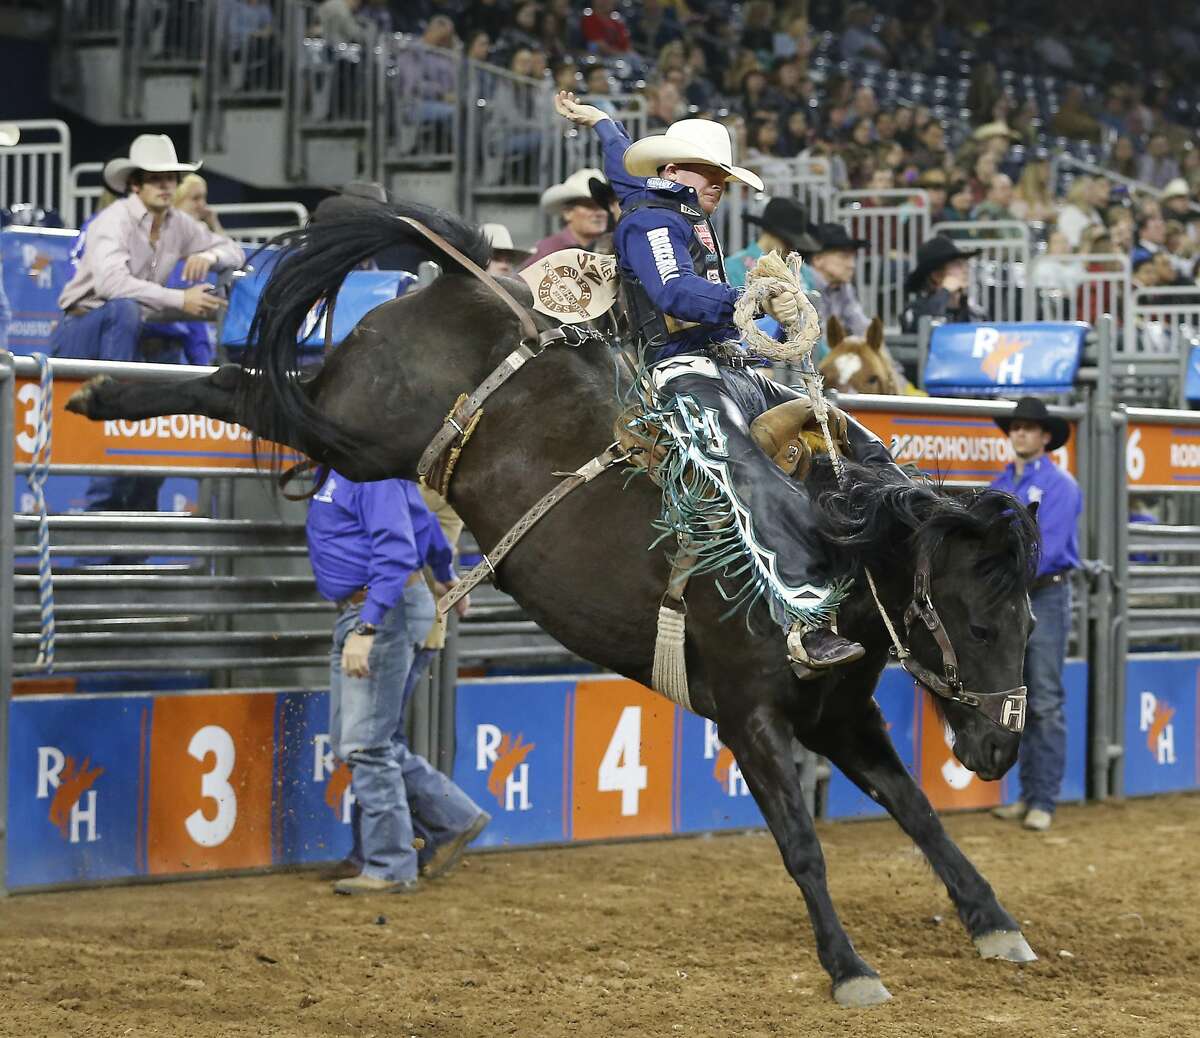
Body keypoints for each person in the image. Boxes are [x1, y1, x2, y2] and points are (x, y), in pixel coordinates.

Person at [553, 90, 902, 678]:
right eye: (709, 172)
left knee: (847, 431)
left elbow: (619, 158)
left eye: (722, 174)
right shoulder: (652, 222)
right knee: (748, 469)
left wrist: (602, 122)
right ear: (672, 168)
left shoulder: (669, 206)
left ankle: (902, 536)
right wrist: (751, 295)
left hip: (731, 366)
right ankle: (804, 619)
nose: (719, 184)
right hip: (682, 375)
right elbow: (671, 292)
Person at [307, 472, 490, 894]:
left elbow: (396, 549)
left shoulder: (364, 472)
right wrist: (444, 572)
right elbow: (421, 522)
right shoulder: (355, 471)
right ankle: (455, 816)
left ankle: (391, 865)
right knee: (356, 741)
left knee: (366, 745)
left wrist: (367, 627)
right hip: (370, 610)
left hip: (377, 612)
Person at [49, 133, 244, 514]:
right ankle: (115, 411)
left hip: (126, 335)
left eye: (170, 177)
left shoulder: (177, 224)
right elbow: (112, 286)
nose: (165, 185)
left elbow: (234, 250)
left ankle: (133, 432)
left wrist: (210, 256)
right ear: (135, 184)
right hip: (81, 333)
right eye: (156, 178)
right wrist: (179, 300)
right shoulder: (113, 221)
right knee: (126, 310)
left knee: (164, 334)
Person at [990, 398, 1081, 833]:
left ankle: (1042, 797)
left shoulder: (1061, 486)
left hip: (1043, 596)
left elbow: (1046, 551)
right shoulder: (1003, 482)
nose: (1020, 433)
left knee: (1042, 699)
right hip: (1016, 598)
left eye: (1029, 428)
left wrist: (994, 572)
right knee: (1021, 698)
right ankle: (1029, 796)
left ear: (1046, 437)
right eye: (1017, 427)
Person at [802, 222, 872, 359]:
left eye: (853, 257)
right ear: (818, 259)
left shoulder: (844, 288)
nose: (852, 265)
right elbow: (815, 340)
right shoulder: (803, 285)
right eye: (844, 256)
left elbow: (863, 329)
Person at [523, 168, 611, 267]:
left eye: (603, 206)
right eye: (589, 206)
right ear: (568, 213)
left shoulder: (613, 248)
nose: (599, 213)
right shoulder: (548, 250)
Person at [725, 197, 820, 289]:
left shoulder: (802, 271)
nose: (792, 246)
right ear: (771, 233)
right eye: (787, 240)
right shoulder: (733, 267)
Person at [900, 235, 986, 334]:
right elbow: (923, 330)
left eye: (965, 263)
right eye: (957, 264)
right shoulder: (915, 311)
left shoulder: (975, 314)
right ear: (936, 275)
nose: (965, 269)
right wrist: (945, 291)